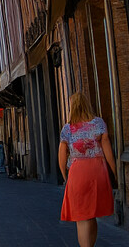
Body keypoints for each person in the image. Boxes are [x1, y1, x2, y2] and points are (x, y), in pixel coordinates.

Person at [59, 92, 116, 247]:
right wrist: (114, 172)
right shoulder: (98, 123)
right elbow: (108, 151)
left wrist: (65, 176)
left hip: (78, 173)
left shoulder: (68, 128)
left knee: (82, 217)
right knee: (92, 215)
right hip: (98, 171)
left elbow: (62, 156)